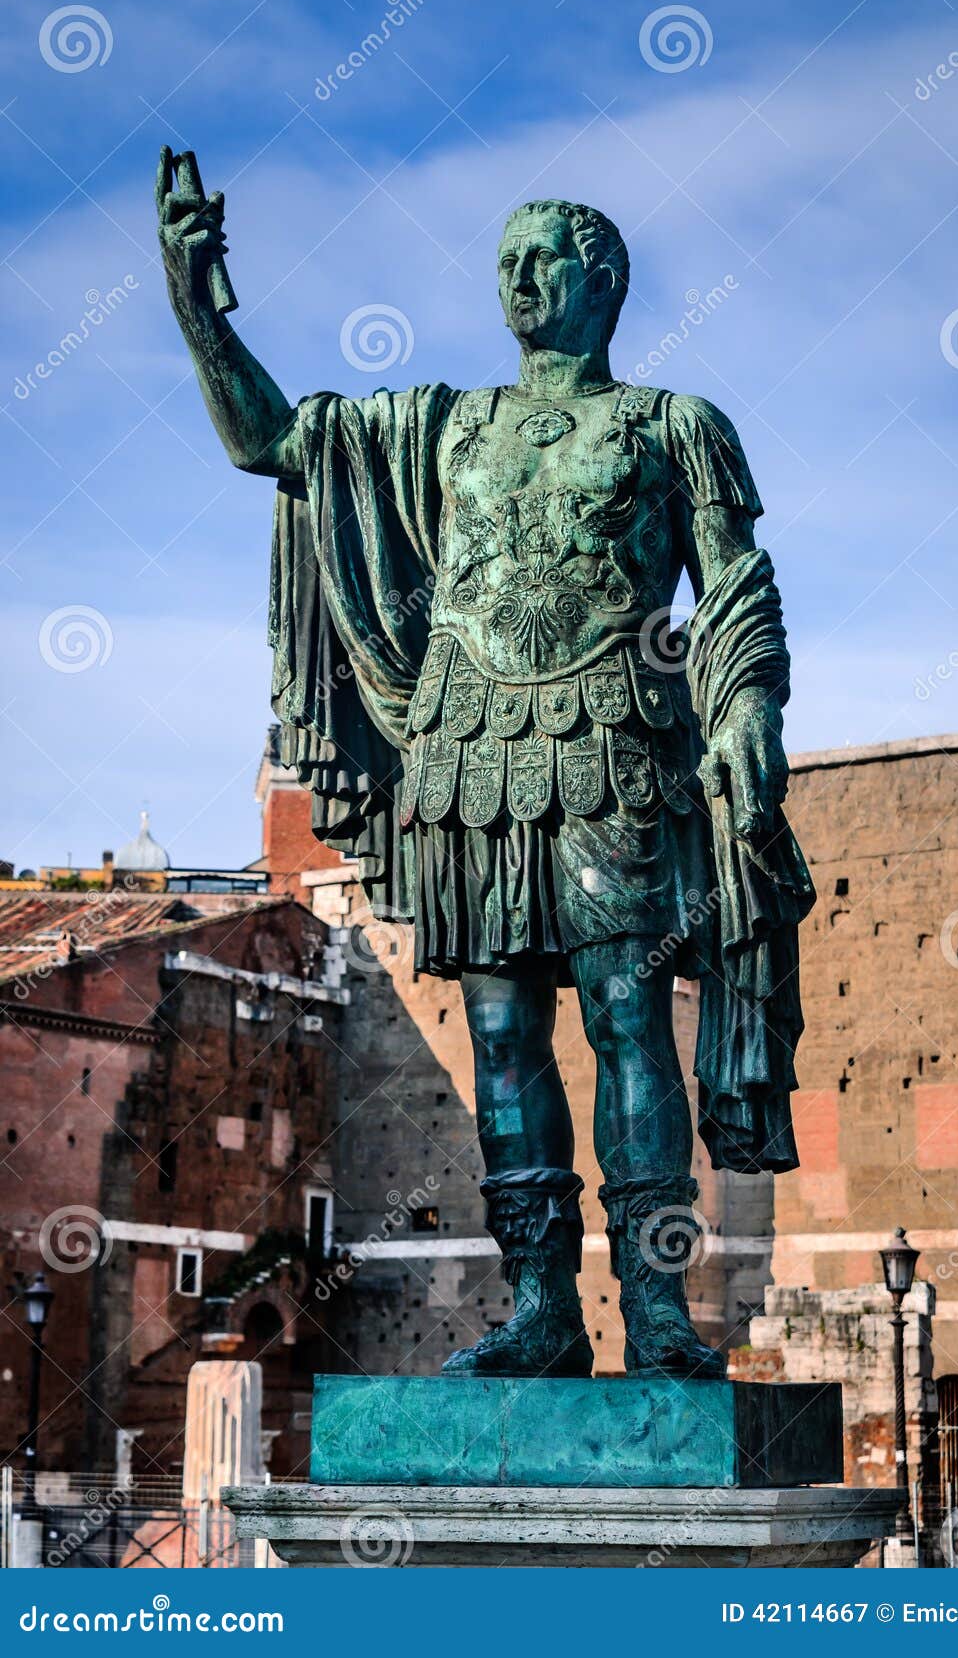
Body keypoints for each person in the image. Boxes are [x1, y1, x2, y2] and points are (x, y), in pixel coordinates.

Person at [157, 149, 814, 1381]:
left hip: (615, 743)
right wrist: (198, 305)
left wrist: (746, 708)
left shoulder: (674, 426)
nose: (516, 276)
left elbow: (736, 587)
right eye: (504, 258)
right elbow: (275, 443)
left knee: (628, 1016)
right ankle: (542, 1306)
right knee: (503, 1032)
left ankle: (657, 1309)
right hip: (468, 753)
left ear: (603, 282)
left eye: (541, 258)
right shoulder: (443, 426)